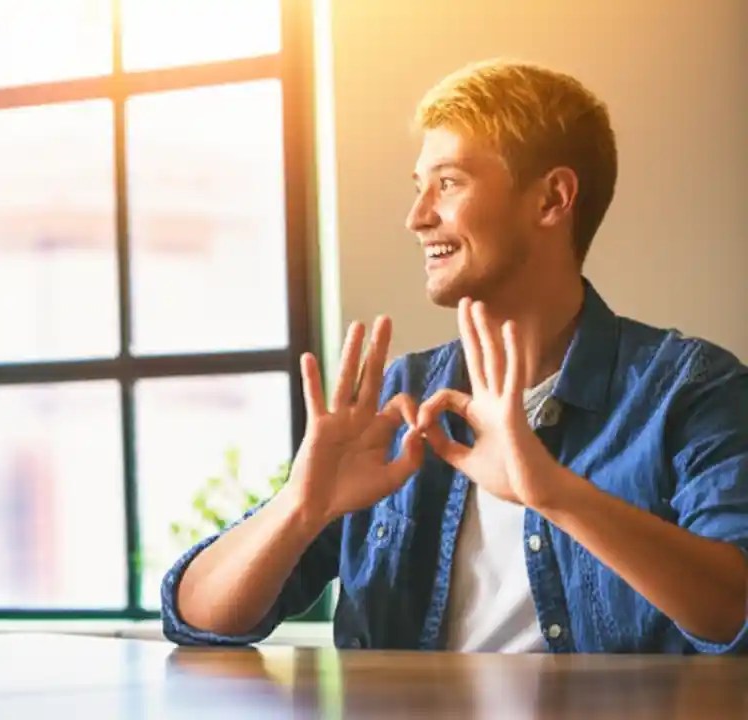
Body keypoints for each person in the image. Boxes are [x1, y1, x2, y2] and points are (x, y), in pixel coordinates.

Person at [161, 59, 748, 653]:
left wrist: (552, 492)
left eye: (447, 183)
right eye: (418, 188)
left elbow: (737, 611)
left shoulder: (690, 389)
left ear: (552, 199)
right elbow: (196, 618)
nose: (416, 218)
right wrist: (302, 506)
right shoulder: (395, 403)